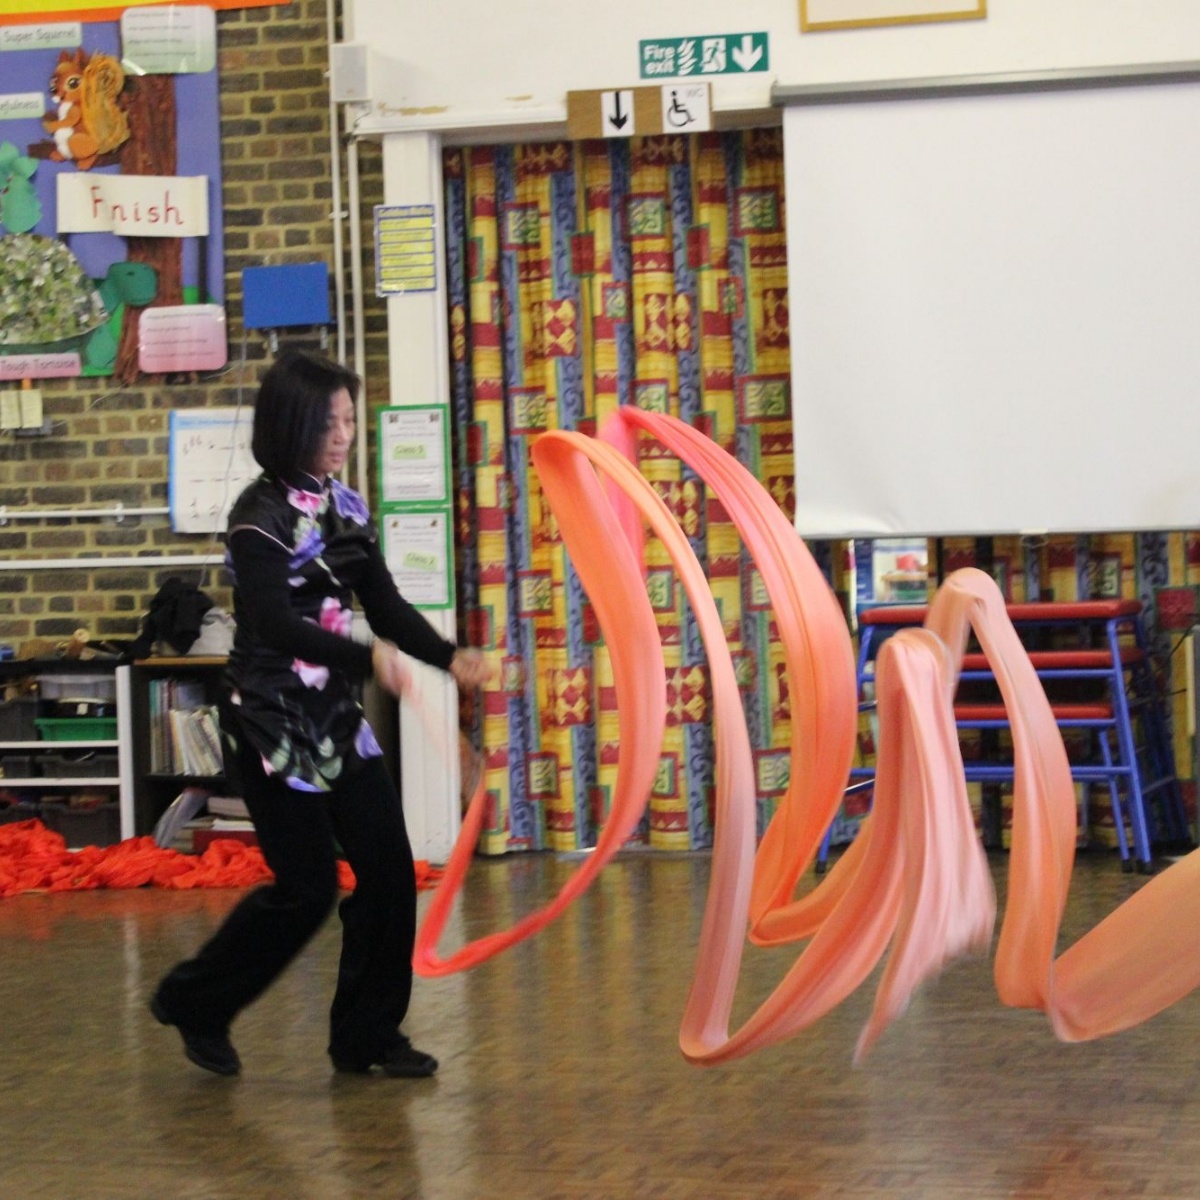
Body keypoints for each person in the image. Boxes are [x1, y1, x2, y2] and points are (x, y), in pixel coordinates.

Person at [150, 349, 492, 1078]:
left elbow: (385, 605)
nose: (342, 435)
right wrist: (364, 659)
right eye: (328, 422)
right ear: (292, 424)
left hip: (336, 721)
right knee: (306, 892)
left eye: (348, 421)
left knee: (390, 876)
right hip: (271, 725)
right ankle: (194, 1000)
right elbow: (275, 623)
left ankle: (367, 1037)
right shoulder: (258, 519)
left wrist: (448, 656)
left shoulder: (347, 507)